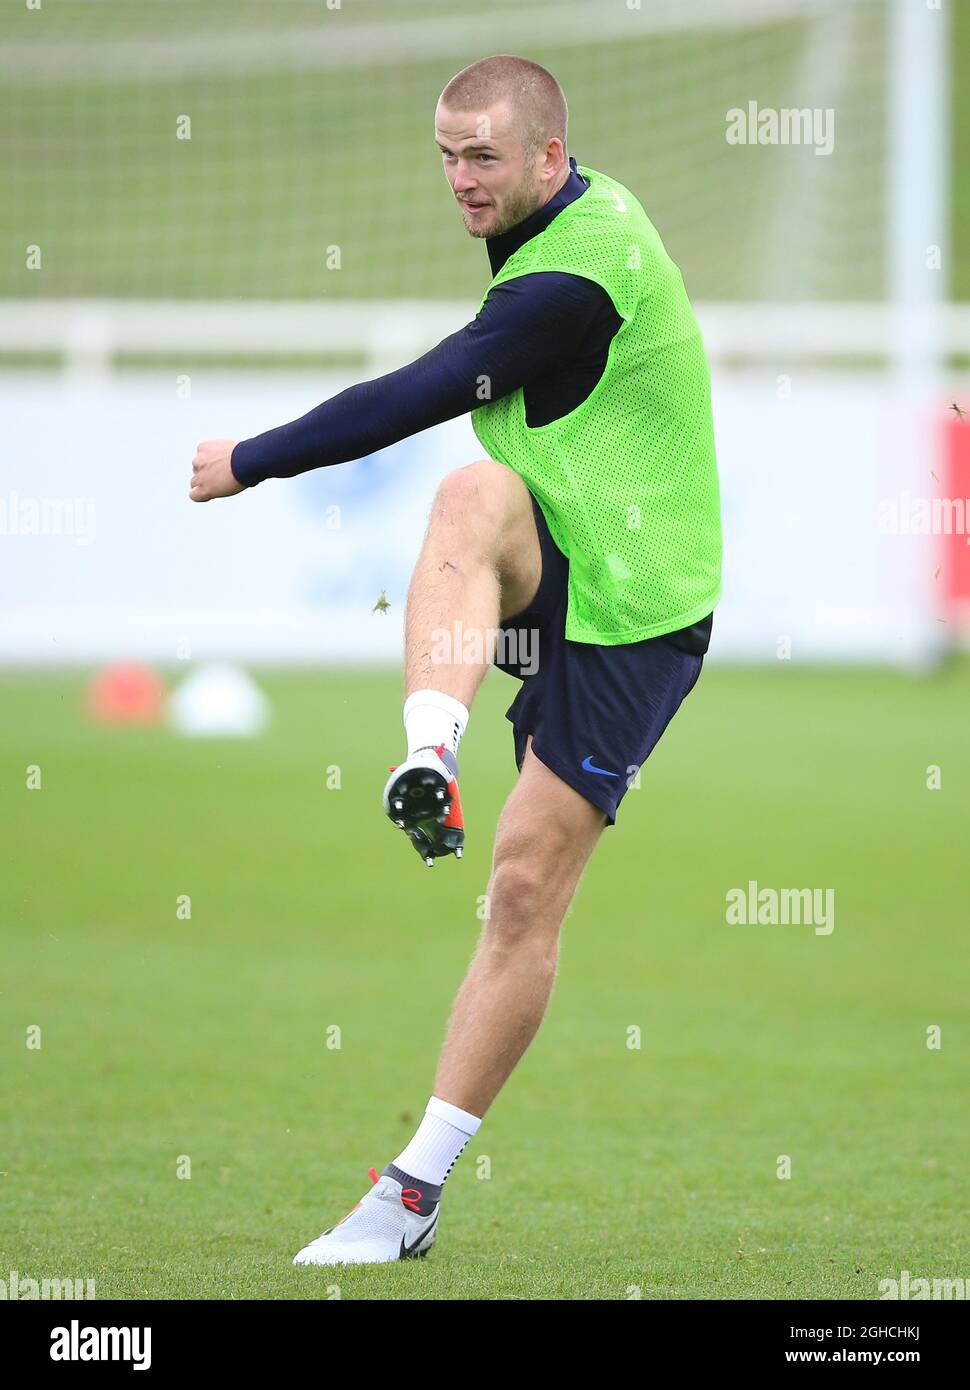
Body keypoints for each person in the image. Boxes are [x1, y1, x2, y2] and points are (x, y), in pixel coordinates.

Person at [190, 54, 722, 1266]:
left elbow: (424, 385)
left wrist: (255, 458)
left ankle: (410, 1196)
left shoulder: (574, 279)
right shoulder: (560, 210)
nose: (457, 181)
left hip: (638, 614)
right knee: (473, 492)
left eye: (481, 157)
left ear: (546, 156)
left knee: (524, 888)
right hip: (565, 554)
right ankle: (426, 755)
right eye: (444, 154)